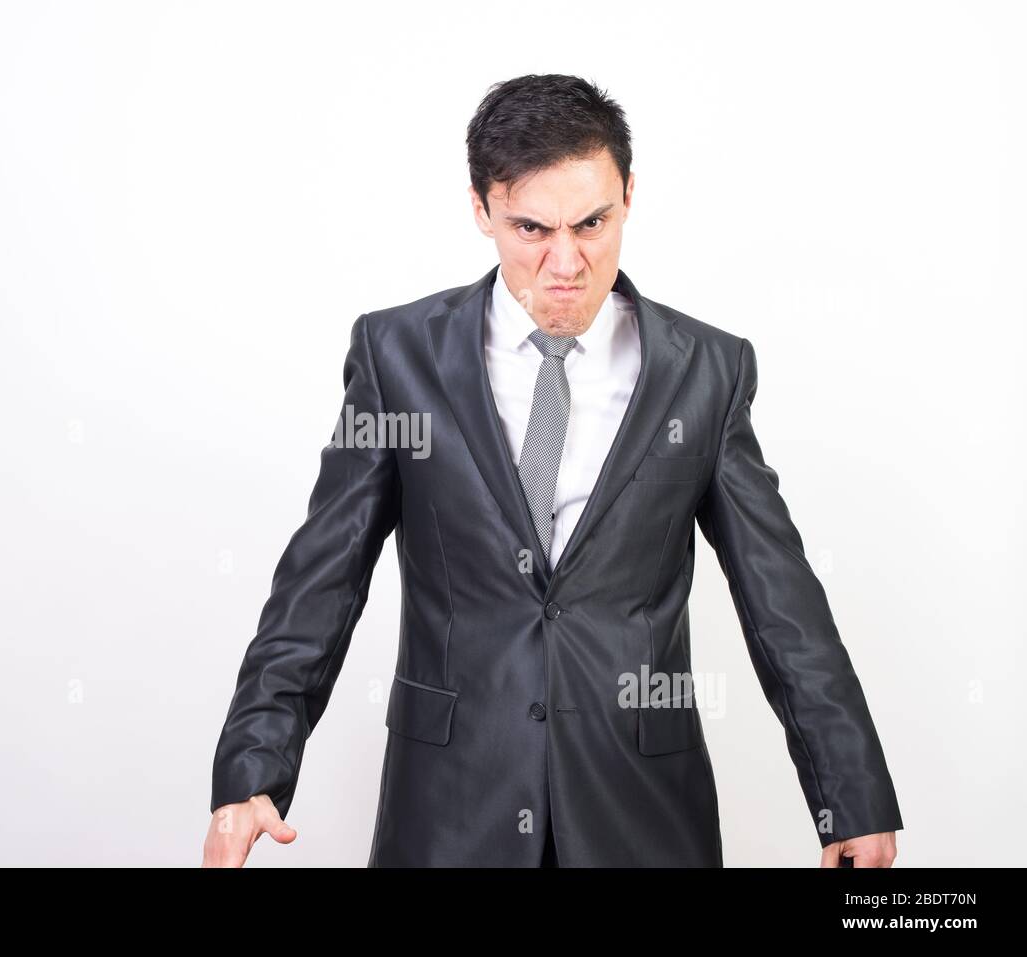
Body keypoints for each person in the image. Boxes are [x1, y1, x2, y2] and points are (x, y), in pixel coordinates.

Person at [203, 74, 902, 867]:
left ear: (630, 195)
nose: (565, 263)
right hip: (451, 807)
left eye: (593, 223)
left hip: (639, 811)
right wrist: (249, 772)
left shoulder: (706, 371)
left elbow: (782, 598)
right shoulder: (398, 358)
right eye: (531, 227)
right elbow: (319, 582)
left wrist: (849, 794)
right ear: (481, 209)